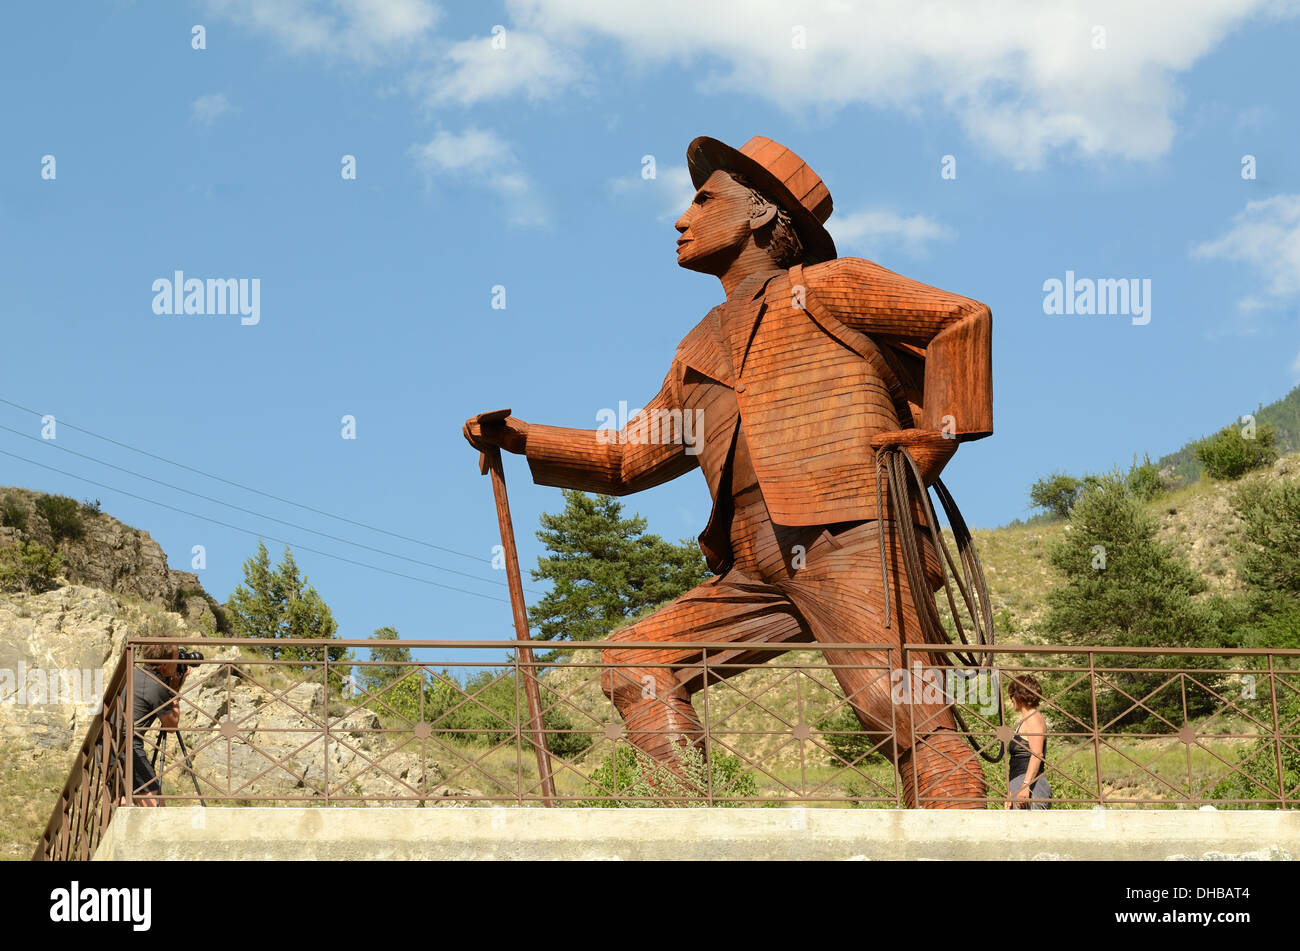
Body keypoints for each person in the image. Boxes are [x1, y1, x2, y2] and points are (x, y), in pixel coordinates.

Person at [464, 135, 994, 807]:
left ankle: (962, 840)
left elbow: (961, 320)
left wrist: (925, 452)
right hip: (752, 560)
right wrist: (521, 437)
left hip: (853, 534)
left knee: (907, 715)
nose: (683, 219)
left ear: (760, 214)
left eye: (703, 199)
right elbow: (627, 457)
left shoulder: (832, 286)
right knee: (637, 660)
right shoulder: (699, 347)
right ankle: (694, 831)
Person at [127, 642, 181, 806]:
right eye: (176, 660)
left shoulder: (133, 673)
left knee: (123, 800)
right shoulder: (155, 685)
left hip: (107, 746)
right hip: (129, 747)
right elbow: (171, 726)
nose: (178, 664)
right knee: (156, 807)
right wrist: (176, 695)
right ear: (164, 665)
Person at [1005, 674, 1051, 810]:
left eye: (1011, 695)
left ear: (1017, 696)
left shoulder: (1033, 718)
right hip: (1020, 786)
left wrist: (1025, 786)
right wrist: (1010, 793)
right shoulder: (1026, 720)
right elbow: (1015, 762)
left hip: (1031, 789)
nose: (1011, 700)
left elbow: (1037, 753)